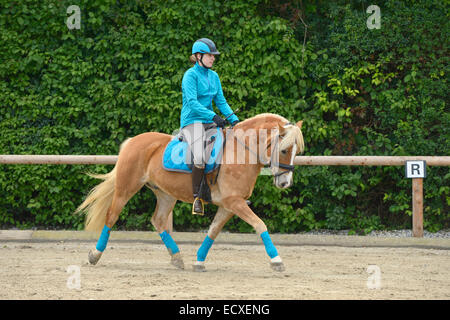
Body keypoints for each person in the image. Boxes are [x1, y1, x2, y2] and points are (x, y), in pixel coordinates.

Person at [180, 38, 239, 215]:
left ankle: (231, 192)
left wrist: (235, 121)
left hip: (210, 123)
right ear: (198, 56)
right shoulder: (190, 76)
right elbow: (192, 103)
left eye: (213, 56)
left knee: (229, 149)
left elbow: (221, 101)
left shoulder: (214, 76)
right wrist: (212, 116)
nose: (213, 58)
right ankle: (197, 197)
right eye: (209, 55)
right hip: (192, 122)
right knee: (199, 157)